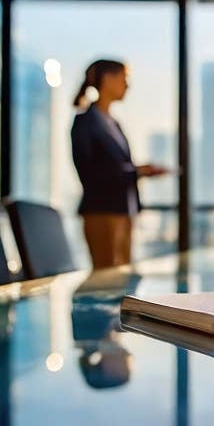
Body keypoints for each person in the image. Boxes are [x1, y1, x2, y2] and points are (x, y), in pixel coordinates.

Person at [71, 59, 167, 269]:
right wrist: (137, 171)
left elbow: (117, 166)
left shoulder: (114, 123)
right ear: (107, 79)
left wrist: (138, 171)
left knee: (123, 277)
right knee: (106, 278)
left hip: (125, 211)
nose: (127, 85)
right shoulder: (85, 122)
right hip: (102, 212)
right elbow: (89, 173)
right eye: (124, 79)